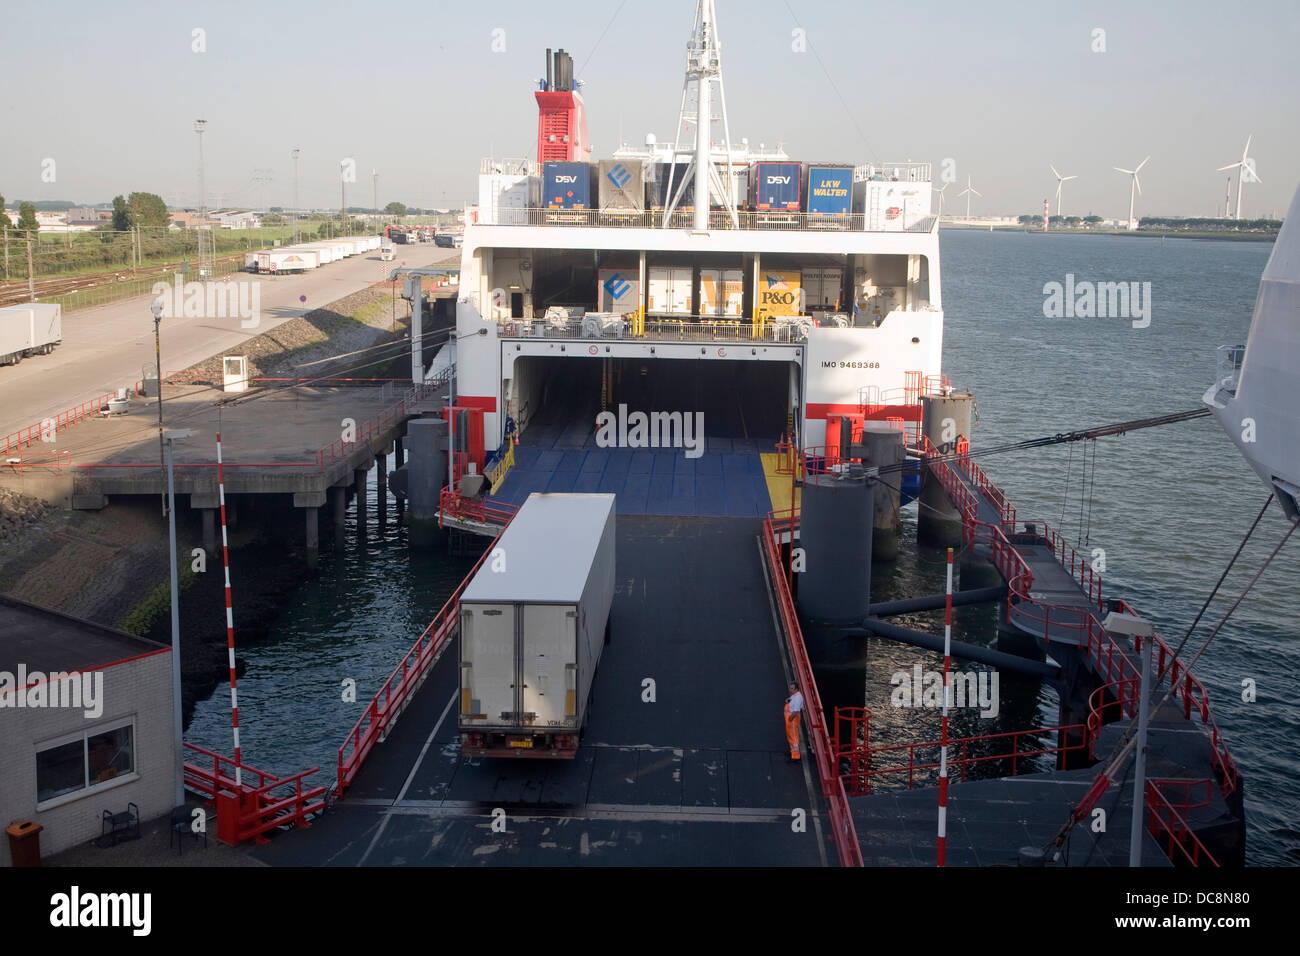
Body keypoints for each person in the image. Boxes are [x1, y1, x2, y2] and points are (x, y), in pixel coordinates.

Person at [784, 682, 804, 761]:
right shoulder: (795, 695)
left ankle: (795, 756)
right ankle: (793, 752)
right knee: (790, 736)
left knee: (793, 737)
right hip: (790, 719)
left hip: (792, 719)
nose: (790, 690)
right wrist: (788, 700)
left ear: (796, 689)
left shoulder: (798, 698)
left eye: (792, 688)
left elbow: (796, 711)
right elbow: (792, 700)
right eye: (790, 688)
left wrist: (790, 719)